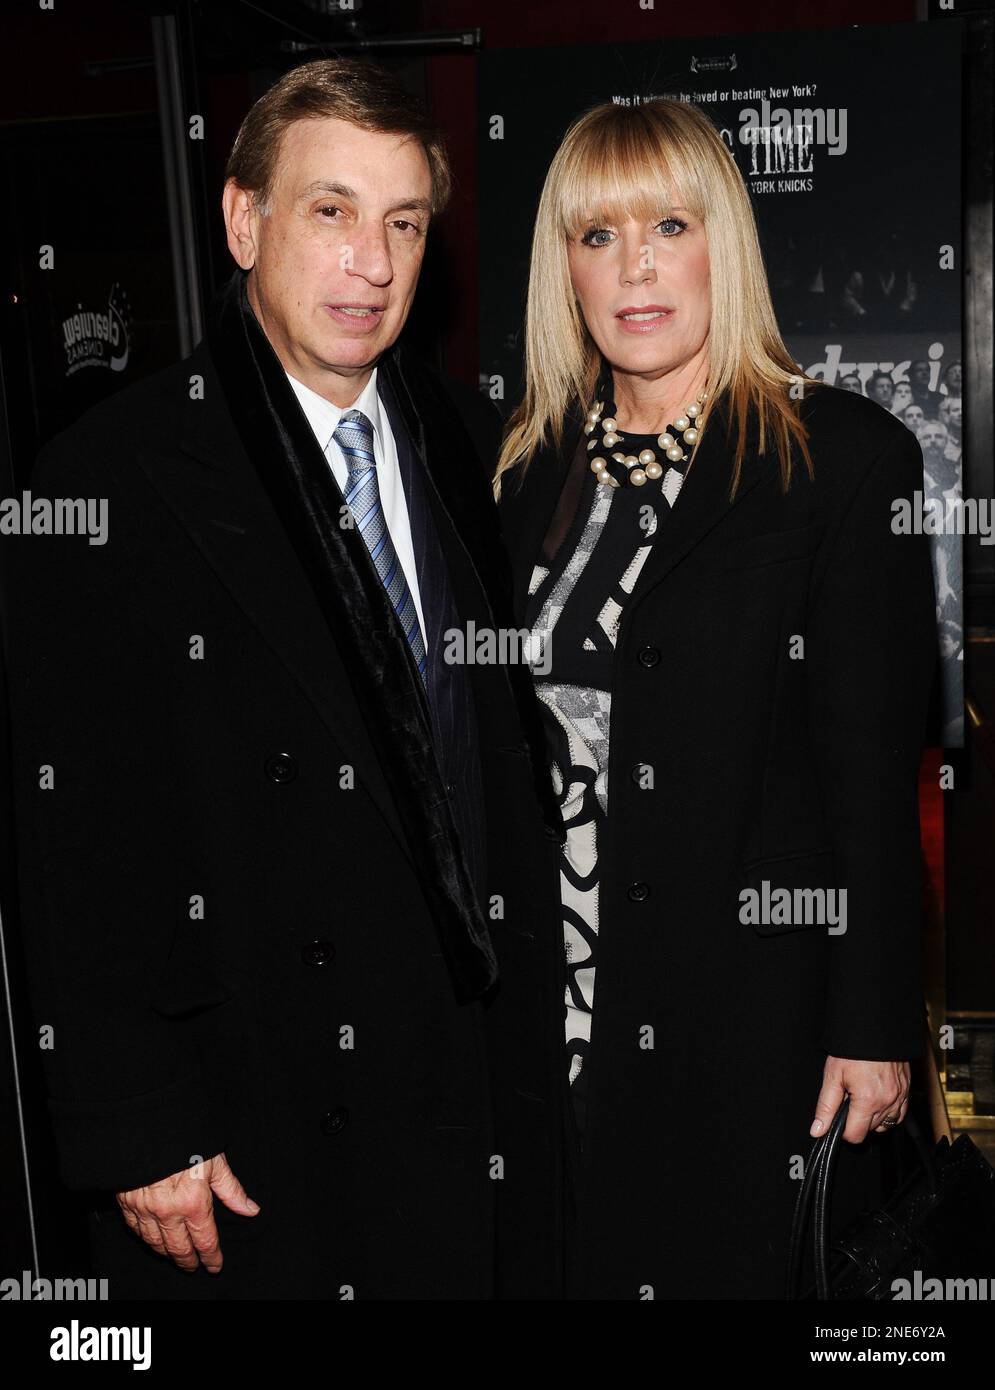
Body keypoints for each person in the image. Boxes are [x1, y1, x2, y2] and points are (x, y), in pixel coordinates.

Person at [5, 58, 565, 1300]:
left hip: (463, 1071)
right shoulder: (106, 479)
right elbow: (68, 836)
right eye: (331, 211)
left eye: (403, 222)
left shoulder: (465, 439)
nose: (371, 261)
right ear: (243, 219)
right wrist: (136, 1125)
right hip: (254, 1100)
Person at [494, 97, 938, 1299]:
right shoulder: (521, 472)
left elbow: (869, 774)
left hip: (754, 1021)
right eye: (596, 236)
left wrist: (872, 1020)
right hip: (552, 1017)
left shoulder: (835, 461)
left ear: (720, 245)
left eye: (668, 225)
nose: (632, 266)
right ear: (563, 267)